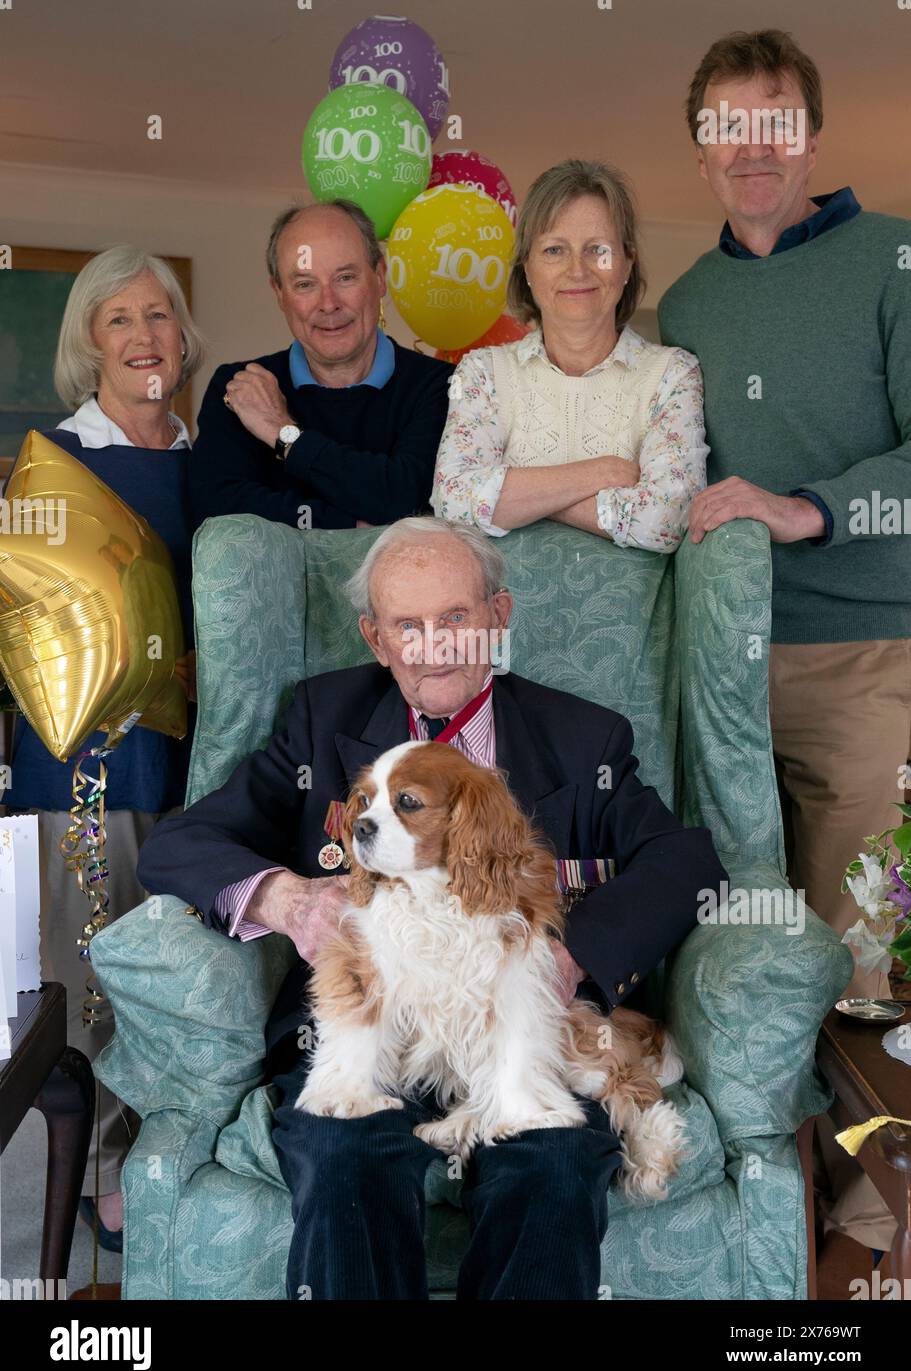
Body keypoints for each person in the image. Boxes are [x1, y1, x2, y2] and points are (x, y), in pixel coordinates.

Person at [136, 515, 727, 1300]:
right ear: (376, 641)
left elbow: (687, 862)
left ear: (498, 618)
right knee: (345, 1154)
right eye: (408, 626)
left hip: (518, 1036)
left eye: (455, 617)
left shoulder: (582, 738)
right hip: (372, 1031)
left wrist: (566, 955)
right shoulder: (322, 722)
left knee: (550, 1162)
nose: (436, 644)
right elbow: (178, 845)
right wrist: (286, 900)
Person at [658, 27, 910, 1259]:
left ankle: (865, 1244)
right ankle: (780, 1208)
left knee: (863, 967)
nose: (750, 147)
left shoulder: (891, 258)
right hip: (723, 682)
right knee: (747, 960)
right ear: (700, 148)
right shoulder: (687, 304)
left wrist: (802, 510)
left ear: (810, 135)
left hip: (869, 660)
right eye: (725, 124)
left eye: (772, 121)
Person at [1, 245, 204, 1250]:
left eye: (159, 315)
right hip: (86, 757)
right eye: (119, 318)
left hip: (196, 751)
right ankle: (104, 1167)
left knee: (180, 963)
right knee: (97, 967)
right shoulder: (56, 461)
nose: (142, 336)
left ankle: (167, 1149)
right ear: (90, 340)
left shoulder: (208, 457)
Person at [431, 159, 708, 552]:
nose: (577, 270)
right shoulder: (483, 373)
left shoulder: (672, 373)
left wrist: (520, 498)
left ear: (628, 261)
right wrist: (601, 472)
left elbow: (669, 519)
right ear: (527, 266)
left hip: (627, 614)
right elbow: (452, 502)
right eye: (554, 250)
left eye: (598, 249)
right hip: (501, 612)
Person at [189, 200, 454, 532]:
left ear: (380, 277)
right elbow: (215, 508)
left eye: (345, 277)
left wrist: (284, 434)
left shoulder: (440, 385)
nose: (328, 304)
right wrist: (349, 522)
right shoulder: (240, 385)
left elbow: (405, 497)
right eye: (304, 284)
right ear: (279, 293)